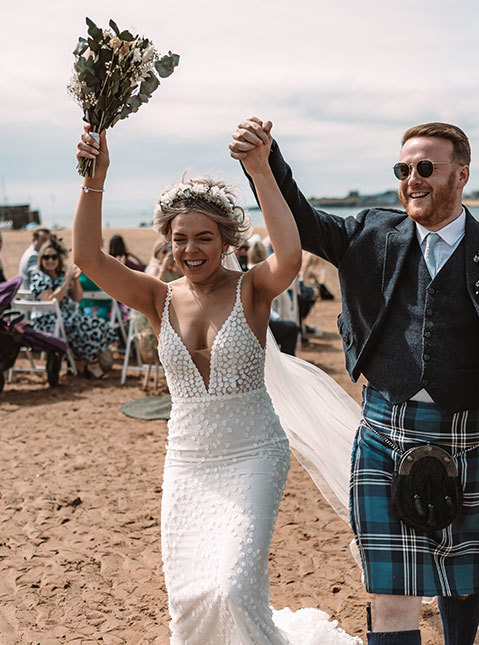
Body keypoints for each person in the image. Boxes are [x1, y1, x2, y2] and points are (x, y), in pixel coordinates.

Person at [232, 117, 479, 645]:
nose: (412, 180)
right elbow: (303, 220)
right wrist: (264, 164)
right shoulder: (370, 235)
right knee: (392, 593)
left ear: (461, 174)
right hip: (385, 433)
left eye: (425, 168)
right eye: (403, 170)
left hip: (473, 434)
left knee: (463, 584)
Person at [72, 125, 360, 644]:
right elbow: (88, 259)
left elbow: (290, 256)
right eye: (180, 238)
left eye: (204, 237)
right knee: (189, 597)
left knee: (232, 588)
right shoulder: (157, 298)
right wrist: (95, 179)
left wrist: (261, 170)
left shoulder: (254, 289)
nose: (190, 249)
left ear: (227, 241)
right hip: (188, 461)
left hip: (253, 453)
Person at [30, 239, 118, 380]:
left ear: (58, 259)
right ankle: (91, 364)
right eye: (46, 257)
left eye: (54, 257)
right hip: (48, 320)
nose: (50, 260)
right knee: (91, 326)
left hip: (65, 317)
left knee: (99, 324)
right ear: (41, 259)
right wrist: (66, 282)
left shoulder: (61, 275)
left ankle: (81, 361)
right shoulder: (38, 277)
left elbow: (77, 298)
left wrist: (75, 280)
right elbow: (52, 300)